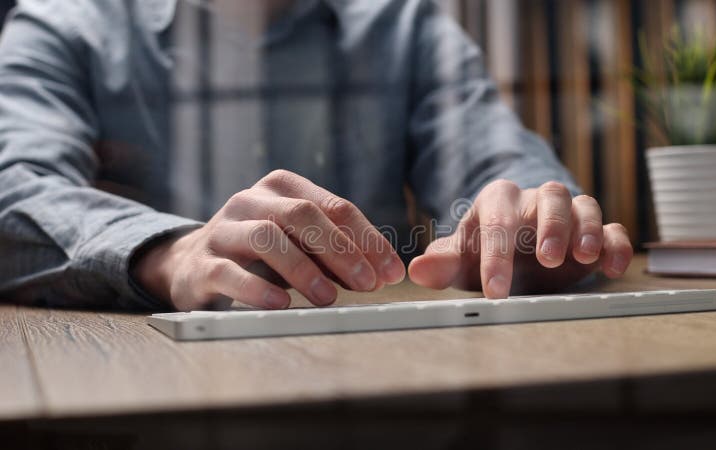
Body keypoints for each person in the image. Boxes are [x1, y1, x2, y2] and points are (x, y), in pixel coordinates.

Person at [0, 0, 632, 311]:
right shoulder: (67, 24)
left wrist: (530, 228)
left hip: (388, 398)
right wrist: (170, 251)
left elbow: (500, 166)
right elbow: (14, 188)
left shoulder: (402, 24)